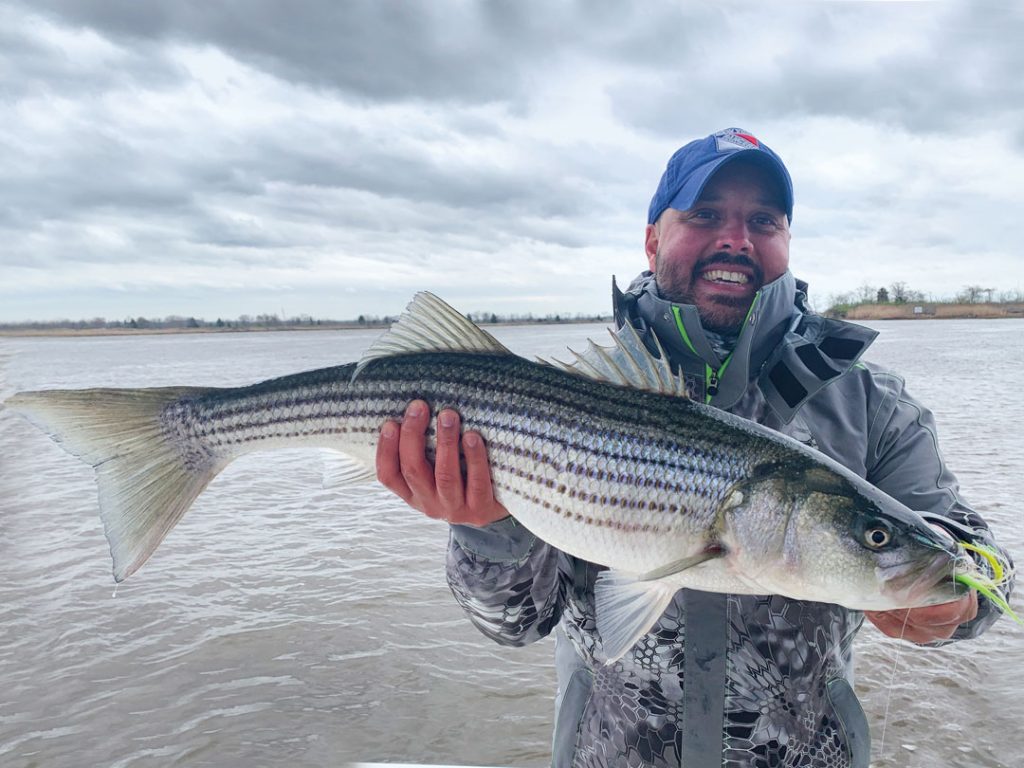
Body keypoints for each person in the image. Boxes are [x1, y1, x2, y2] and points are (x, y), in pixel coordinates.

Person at [374, 128, 1012, 768]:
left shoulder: (873, 404)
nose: (736, 237)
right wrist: (483, 527)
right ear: (653, 239)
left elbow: (977, 555)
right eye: (706, 215)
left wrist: (962, 598)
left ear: (786, 242)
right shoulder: (569, 397)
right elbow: (512, 625)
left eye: (763, 219)